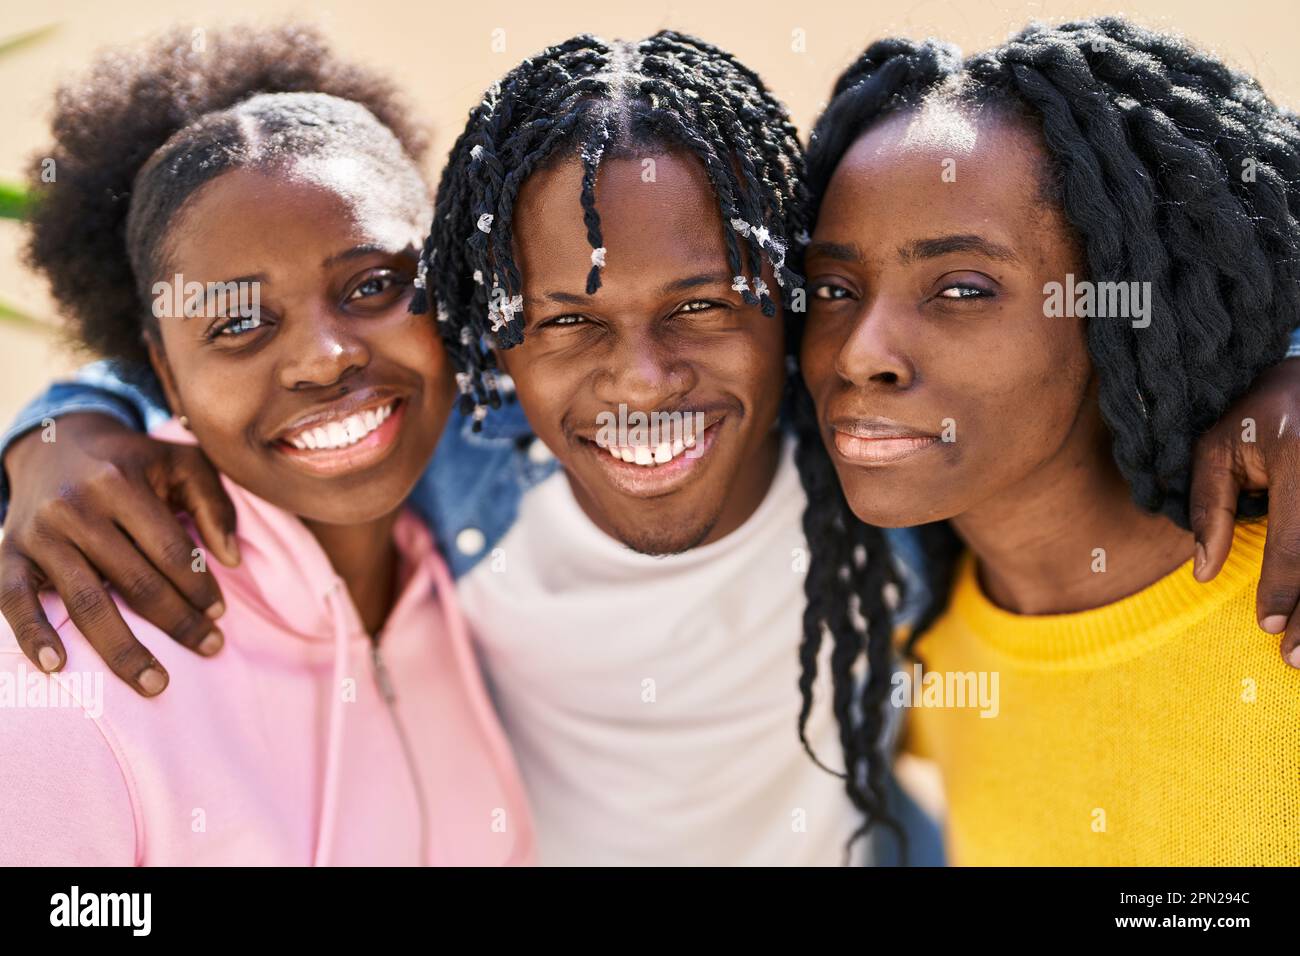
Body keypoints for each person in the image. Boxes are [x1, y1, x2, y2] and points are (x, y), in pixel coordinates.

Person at [5, 27, 1300, 865]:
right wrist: (64, 425)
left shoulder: (870, 460)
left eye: (702, 307)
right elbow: (254, 352)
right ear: (496, 341)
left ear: (782, 304)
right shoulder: (460, 462)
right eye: (568, 320)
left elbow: (1162, 279)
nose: (640, 377)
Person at [0, 25, 533, 866]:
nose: (327, 356)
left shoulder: (460, 569)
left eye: (374, 285)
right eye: (238, 322)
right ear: (161, 378)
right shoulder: (63, 663)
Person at [794, 16, 1300, 864]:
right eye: (835, 288)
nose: (861, 352)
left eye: (960, 288)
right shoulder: (924, 650)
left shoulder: (1284, 611)